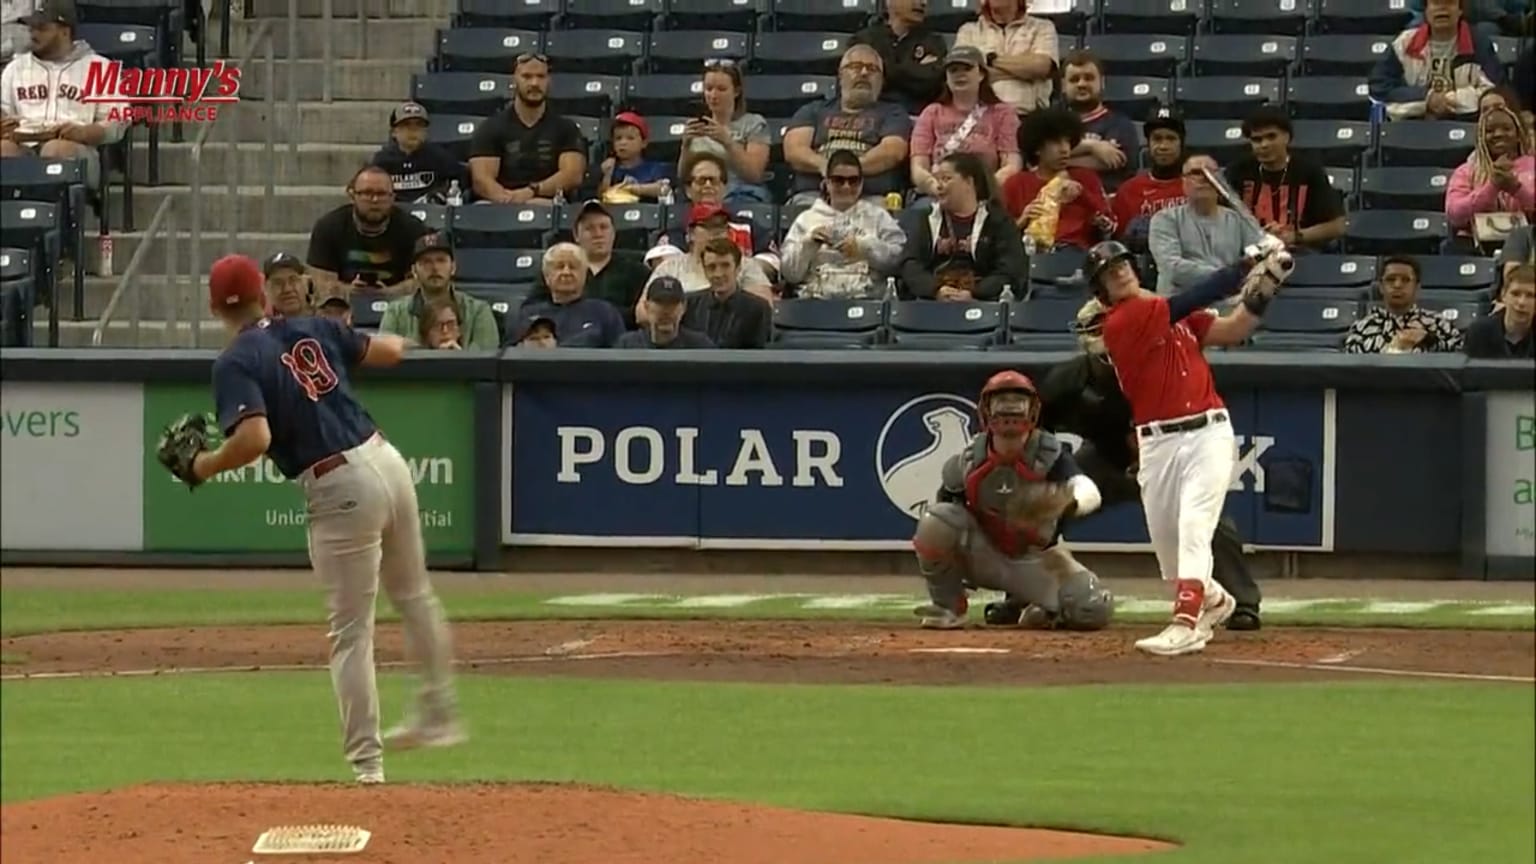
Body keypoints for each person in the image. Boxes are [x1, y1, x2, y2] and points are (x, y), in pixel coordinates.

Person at [162, 254, 462, 784]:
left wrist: (203, 465)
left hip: (337, 485)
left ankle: (368, 769)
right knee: (415, 595)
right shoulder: (315, 325)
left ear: (212, 306)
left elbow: (255, 439)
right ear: (265, 292)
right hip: (387, 460)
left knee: (350, 633)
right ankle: (439, 714)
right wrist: (407, 340)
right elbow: (390, 350)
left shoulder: (234, 360)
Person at [983, 297, 1265, 630]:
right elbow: (1036, 429)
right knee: (1043, 506)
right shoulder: (1070, 379)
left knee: (1206, 521)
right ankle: (1019, 595)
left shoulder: (1161, 363)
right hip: (1107, 459)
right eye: (1101, 329)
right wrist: (1046, 477)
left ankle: (1242, 602)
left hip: (1164, 456)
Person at [1086, 238, 1295, 656]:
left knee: (1195, 527)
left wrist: (1266, 286)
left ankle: (1186, 622)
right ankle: (1216, 601)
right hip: (1157, 443)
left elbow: (1234, 328)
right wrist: (1253, 258)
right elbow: (1201, 293)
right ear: (1102, 292)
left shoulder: (1170, 314)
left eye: (1123, 265)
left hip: (1207, 433)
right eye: (1110, 273)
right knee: (1170, 556)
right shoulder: (1124, 321)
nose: (1120, 272)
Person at [909, 371, 1113, 631]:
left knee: (1092, 609)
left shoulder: (1050, 454)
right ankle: (949, 606)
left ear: (1032, 410)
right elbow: (946, 516)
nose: (1009, 410)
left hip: (1037, 558)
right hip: (984, 554)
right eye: (1001, 403)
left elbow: (1088, 490)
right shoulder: (970, 459)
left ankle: (1030, 604)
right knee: (937, 520)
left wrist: (1066, 502)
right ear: (986, 410)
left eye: (1017, 403)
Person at [0, 0, 124, 189]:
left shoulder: (100, 67)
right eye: (31, 28)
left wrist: (84, 133)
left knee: (56, 149)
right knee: (3, 149)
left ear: (65, 31)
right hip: (25, 147)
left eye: (41, 28)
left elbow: (117, 120)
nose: (33, 34)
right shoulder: (15, 68)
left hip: (77, 150)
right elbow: (4, 112)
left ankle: (60, 215)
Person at [782, 44, 912, 206]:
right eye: (856, 67)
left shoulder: (893, 113)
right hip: (814, 198)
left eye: (872, 69)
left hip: (870, 200)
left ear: (881, 80)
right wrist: (825, 166)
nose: (864, 73)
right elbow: (794, 151)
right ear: (840, 75)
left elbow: (893, 151)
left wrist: (846, 172)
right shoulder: (814, 110)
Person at [899, 152, 1027, 300]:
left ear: (969, 182)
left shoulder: (998, 221)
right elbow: (910, 265)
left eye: (946, 179)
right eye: (937, 180)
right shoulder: (925, 219)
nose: (938, 186)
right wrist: (935, 290)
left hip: (983, 305)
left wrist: (975, 293)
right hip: (931, 303)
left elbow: (1010, 269)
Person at [779, 150, 905, 299]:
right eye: (839, 180)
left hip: (867, 299)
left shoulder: (879, 217)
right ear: (827, 183)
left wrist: (864, 247)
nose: (846, 187)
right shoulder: (806, 219)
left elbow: (898, 260)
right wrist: (808, 244)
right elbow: (790, 274)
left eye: (853, 181)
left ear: (862, 183)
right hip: (816, 300)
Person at [1224, 106, 1347, 252]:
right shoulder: (1237, 171)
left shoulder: (1309, 171)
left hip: (1299, 254)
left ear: (1287, 137)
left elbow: (1337, 226)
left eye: (1271, 137)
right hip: (1251, 252)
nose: (1264, 145)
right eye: (1257, 140)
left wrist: (1293, 237)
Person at [467, 53, 586, 203]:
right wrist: (507, 199)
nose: (535, 83)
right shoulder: (490, 127)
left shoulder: (566, 128)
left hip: (546, 200)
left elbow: (572, 175)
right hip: (501, 201)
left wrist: (532, 191)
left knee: (539, 205)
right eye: (527, 76)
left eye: (541, 76)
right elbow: (481, 179)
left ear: (549, 81)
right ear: (514, 79)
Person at [910, 46, 1022, 199]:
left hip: (985, 195)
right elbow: (918, 166)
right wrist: (934, 187)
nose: (959, 75)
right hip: (938, 193)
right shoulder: (931, 113)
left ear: (981, 74)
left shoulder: (1003, 113)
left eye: (966, 69)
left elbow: (1012, 165)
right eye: (953, 70)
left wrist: (982, 190)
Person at [305, 165, 432, 301]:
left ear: (393, 197)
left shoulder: (412, 229)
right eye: (367, 193)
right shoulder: (328, 226)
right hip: (342, 309)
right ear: (352, 195)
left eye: (382, 194)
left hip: (398, 307)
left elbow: (423, 282)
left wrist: (387, 294)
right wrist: (350, 291)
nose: (375, 200)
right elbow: (319, 284)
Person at [1149, 155, 1269, 295]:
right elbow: (1172, 268)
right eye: (1196, 173)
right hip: (1181, 304)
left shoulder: (1238, 219)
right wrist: (1228, 277)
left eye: (1210, 172)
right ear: (1184, 183)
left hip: (1230, 304)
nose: (1205, 177)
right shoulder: (1164, 219)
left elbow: (1259, 256)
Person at [525, 200, 650, 329]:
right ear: (576, 235)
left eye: (603, 227)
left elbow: (643, 314)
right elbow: (530, 310)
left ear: (614, 233)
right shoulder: (559, 270)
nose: (598, 234)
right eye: (589, 228)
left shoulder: (636, 272)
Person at [1003, 106, 1114, 251]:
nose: (1065, 149)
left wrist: (1082, 195)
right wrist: (1022, 221)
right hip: (1031, 257)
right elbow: (1000, 238)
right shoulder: (1016, 184)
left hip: (1076, 258)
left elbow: (1108, 226)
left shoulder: (1085, 178)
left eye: (1067, 141)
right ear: (1037, 148)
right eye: (1056, 142)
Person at [1370, 0, 1501, 121]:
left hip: (1466, 124)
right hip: (1412, 126)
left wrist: (1449, 100)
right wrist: (1427, 98)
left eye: (1449, 2)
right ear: (1426, 11)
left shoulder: (1479, 44)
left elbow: (1495, 91)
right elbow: (1379, 88)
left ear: (1460, 10)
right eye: (1436, 2)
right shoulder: (1404, 43)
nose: (1442, 8)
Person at [378, 234, 499, 351]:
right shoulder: (395, 312)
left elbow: (485, 363)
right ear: (414, 271)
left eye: (441, 260)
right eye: (426, 262)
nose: (435, 267)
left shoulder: (478, 311)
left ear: (453, 267)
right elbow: (384, 356)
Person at [641, 202, 775, 308]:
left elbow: (764, 306)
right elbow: (642, 311)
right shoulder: (670, 268)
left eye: (721, 226)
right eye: (708, 226)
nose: (716, 232)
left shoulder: (745, 265)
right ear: (691, 233)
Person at [679, 60, 772, 204]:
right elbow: (683, 177)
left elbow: (754, 174)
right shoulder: (697, 126)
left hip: (741, 192)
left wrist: (727, 141)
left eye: (721, 89)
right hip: (702, 192)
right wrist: (685, 146)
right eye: (709, 89)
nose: (713, 95)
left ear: (736, 91)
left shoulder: (754, 124)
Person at [1444, 105, 1534, 253]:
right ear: (1481, 137)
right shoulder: (1466, 171)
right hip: (1474, 245)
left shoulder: (1532, 166)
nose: (1498, 134)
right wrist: (1492, 187)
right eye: (1490, 131)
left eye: (1506, 128)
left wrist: (1516, 188)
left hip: (1528, 245)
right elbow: (1455, 214)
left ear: (1518, 135)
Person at [952, 0, 1059, 119]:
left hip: (1029, 116)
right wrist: (1023, 71)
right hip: (980, 117)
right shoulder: (968, 31)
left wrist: (990, 60)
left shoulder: (1043, 27)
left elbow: (1041, 67)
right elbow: (964, 74)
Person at [1345, 255, 1467, 353]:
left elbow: (1459, 356)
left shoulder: (1439, 324)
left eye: (1405, 280)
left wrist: (1429, 340)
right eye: (1391, 279)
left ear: (1417, 287)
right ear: (1381, 287)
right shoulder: (1362, 328)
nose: (1397, 285)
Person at [513, 242, 626, 347]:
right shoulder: (527, 314)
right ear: (547, 277)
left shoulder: (605, 313)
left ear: (585, 275)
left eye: (573, 267)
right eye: (559, 266)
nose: (566, 272)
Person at [850, 0, 949, 115]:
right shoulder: (863, 40)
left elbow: (931, 81)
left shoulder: (934, 42)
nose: (923, 3)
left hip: (918, 120)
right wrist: (915, 69)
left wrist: (883, 69)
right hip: (872, 117)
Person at [1059, 50, 1140, 190]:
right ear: (1063, 86)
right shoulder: (1052, 124)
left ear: (1102, 82)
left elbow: (1115, 162)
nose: (1081, 84)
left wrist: (1058, 161)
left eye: (1089, 78)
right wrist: (1092, 146)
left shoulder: (1121, 125)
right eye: (1074, 79)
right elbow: (1036, 162)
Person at [1111, 106, 1189, 249]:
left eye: (1171, 139)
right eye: (1157, 139)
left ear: (1182, 143)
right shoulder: (1128, 191)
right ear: (1148, 143)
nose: (1163, 146)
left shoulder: (1197, 186)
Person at [680, 237, 773, 349]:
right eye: (711, 267)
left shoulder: (758, 308)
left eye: (725, 266)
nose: (718, 274)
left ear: (738, 268)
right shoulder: (689, 304)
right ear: (704, 271)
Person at [370, 101, 465, 204]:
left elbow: (461, 181)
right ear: (394, 132)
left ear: (426, 131)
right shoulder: (382, 161)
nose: (413, 130)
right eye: (406, 125)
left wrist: (439, 194)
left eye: (419, 125)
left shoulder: (439, 157)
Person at [615, 276, 715, 349]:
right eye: (660, 303)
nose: (666, 311)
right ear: (647, 307)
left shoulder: (700, 346)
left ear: (683, 308)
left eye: (672, 304)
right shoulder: (627, 344)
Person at [1464, 263, 1536, 358]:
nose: (1521, 302)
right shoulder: (1479, 333)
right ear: (1503, 296)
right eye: (1515, 294)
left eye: (1530, 295)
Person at [599, 111, 670, 202]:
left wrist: (634, 189)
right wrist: (607, 175)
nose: (623, 143)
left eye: (630, 138)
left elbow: (663, 189)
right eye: (618, 138)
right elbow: (602, 196)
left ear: (644, 143)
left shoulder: (653, 168)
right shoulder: (612, 169)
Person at [264, 252, 313, 318]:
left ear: (305, 283)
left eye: (293, 280)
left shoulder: (325, 326)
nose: (287, 289)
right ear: (267, 289)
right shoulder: (261, 327)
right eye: (278, 283)